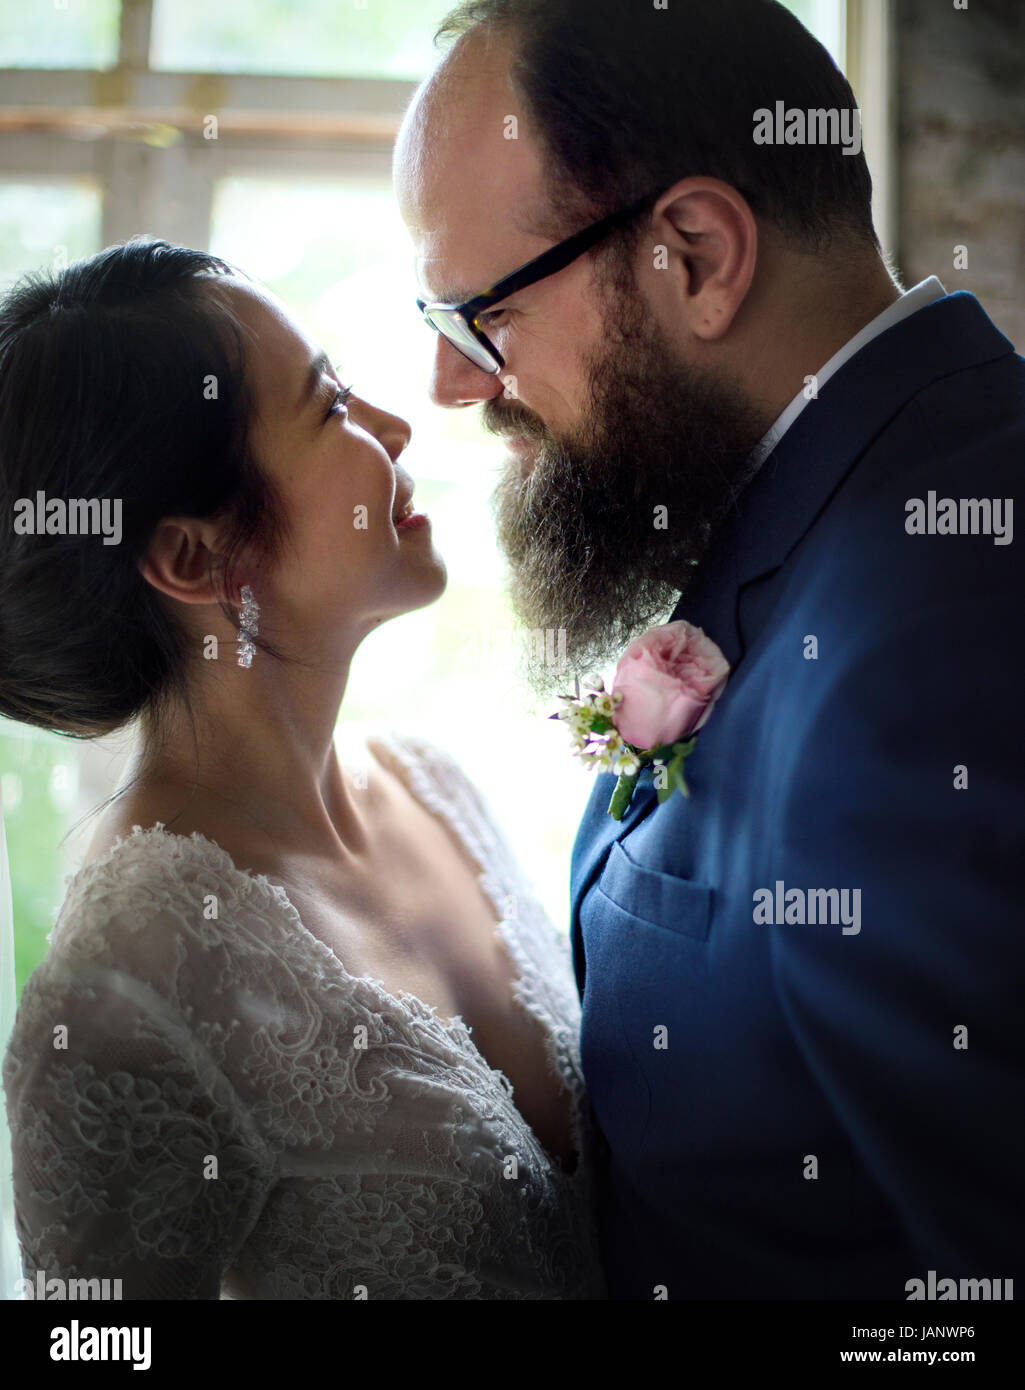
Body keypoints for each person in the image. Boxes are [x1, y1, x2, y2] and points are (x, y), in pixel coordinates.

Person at [395, 0, 1025, 1298]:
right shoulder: (831, 510)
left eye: (480, 317)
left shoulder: (934, 643)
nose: (454, 386)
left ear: (692, 253)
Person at [0, 239, 606, 1300]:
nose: (397, 425)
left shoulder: (431, 785)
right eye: (329, 407)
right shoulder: (126, 984)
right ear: (194, 556)